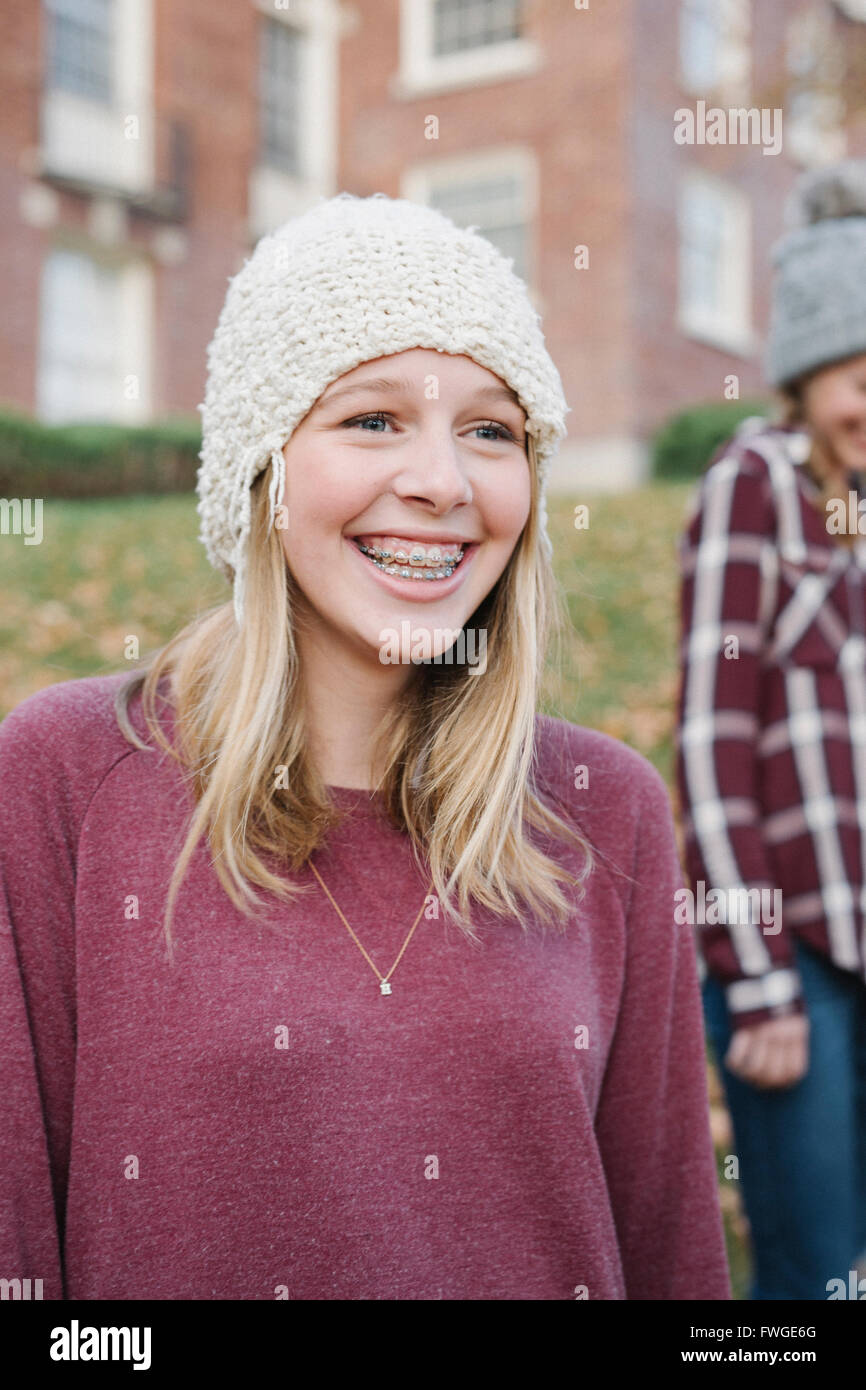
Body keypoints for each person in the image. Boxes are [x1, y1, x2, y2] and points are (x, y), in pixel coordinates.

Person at [0, 193, 728, 1300]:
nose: (442, 481)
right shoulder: (65, 776)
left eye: (490, 429)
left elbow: (673, 1255)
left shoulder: (605, 806)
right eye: (372, 419)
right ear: (263, 469)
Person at [676, 160, 866, 1301]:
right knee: (815, 1277)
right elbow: (709, 744)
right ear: (803, 369)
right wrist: (754, 975)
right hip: (796, 959)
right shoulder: (753, 483)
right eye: (855, 367)